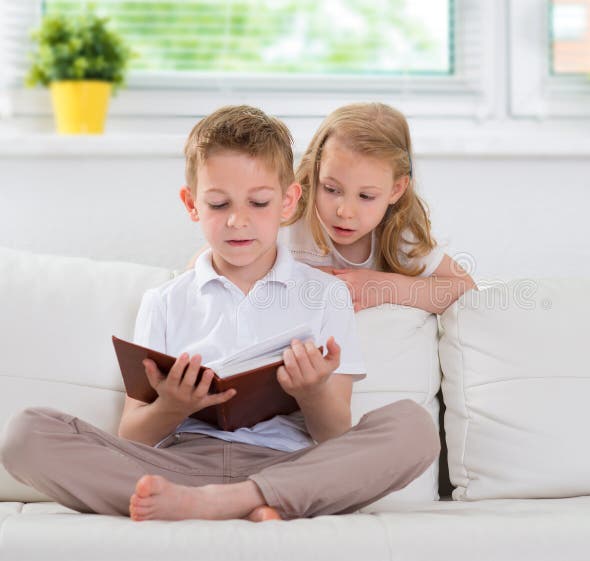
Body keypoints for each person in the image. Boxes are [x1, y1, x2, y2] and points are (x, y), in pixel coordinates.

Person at [0, 105, 439, 522]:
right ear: (191, 203)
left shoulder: (326, 295)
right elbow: (133, 436)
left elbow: (334, 437)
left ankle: (234, 500)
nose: (237, 221)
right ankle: (252, 504)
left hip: (288, 466)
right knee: (25, 434)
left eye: (258, 203)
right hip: (179, 467)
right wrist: (173, 406)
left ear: (288, 202)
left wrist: (310, 391)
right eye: (219, 204)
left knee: (414, 429)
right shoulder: (165, 301)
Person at [281, 102, 475, 313]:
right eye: (331, 189)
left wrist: (384, 287)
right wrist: (304, 279)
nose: (345, 212)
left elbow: (465, 289)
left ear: (396, 190)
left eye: (366, 196)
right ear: (314, 172)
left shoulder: (399, 234)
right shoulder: (288, 224)